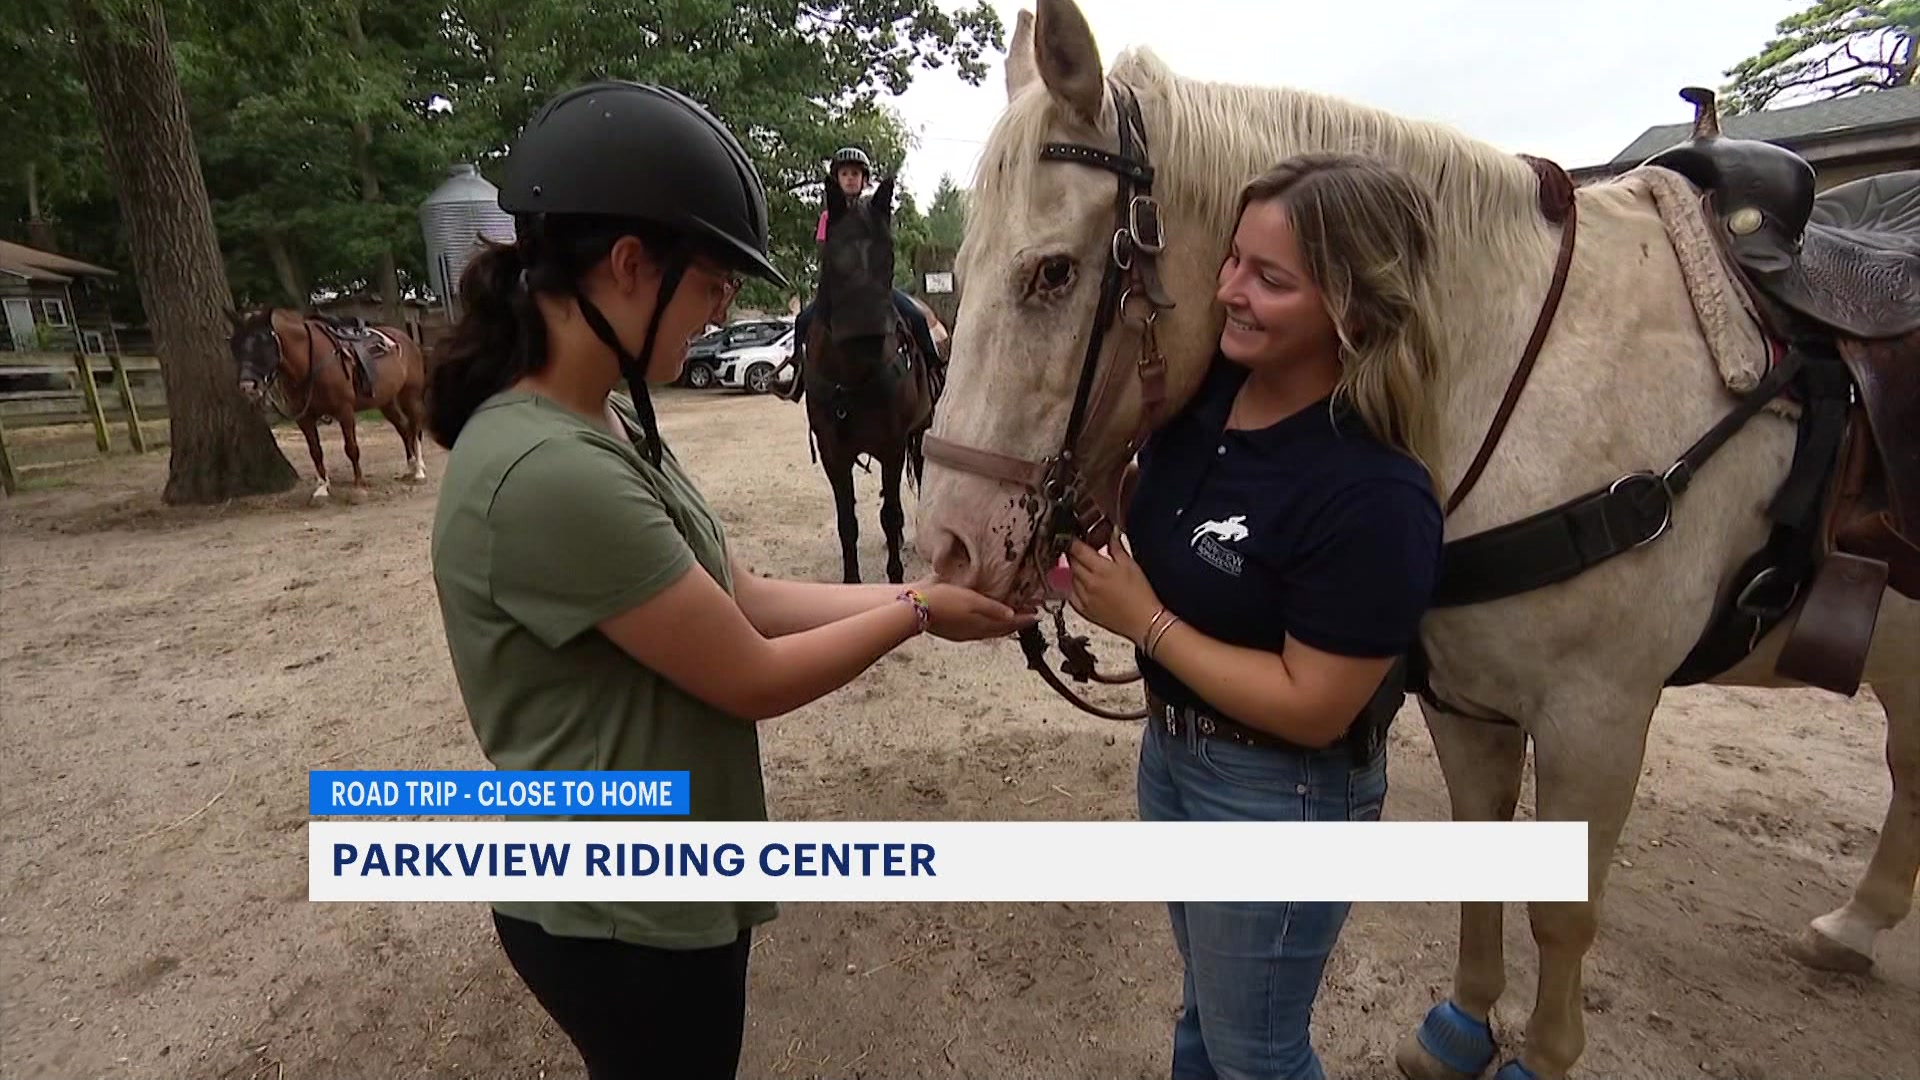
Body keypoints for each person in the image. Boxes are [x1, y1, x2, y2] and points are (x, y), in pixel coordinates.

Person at [424, 80, 1035, 1080]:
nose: (719, 313)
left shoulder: (604, 424)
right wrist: (920, 613)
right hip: (625, 914)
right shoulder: (553, 471)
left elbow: (738, 594)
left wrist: (918, 591)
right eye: (710, 285)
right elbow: (748, 671)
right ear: (629, 267)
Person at [1062, 153, 1446, 1079]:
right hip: (1177, 761)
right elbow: (1161, 521)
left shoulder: (1374, 492)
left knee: (1257, 1055)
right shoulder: (1207, 406)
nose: (1228, 290)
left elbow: (1313, 703)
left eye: (1270, 278)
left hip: (1280, 795)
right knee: (1207, 1023)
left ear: (1350, 309)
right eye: (1233, 259)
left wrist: (1143, 619)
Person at [778, 146, 945, 403]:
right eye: (844, 173)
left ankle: (934, 368)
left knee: (915, 316)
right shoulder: (828, 216)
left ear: (864, 180)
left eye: (855, 174)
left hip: (874, 288)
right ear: (837, 179)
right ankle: (798, 373)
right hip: (840, 290)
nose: (850, 178)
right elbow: (825, 249)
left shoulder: (874, 211)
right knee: (803, 321)